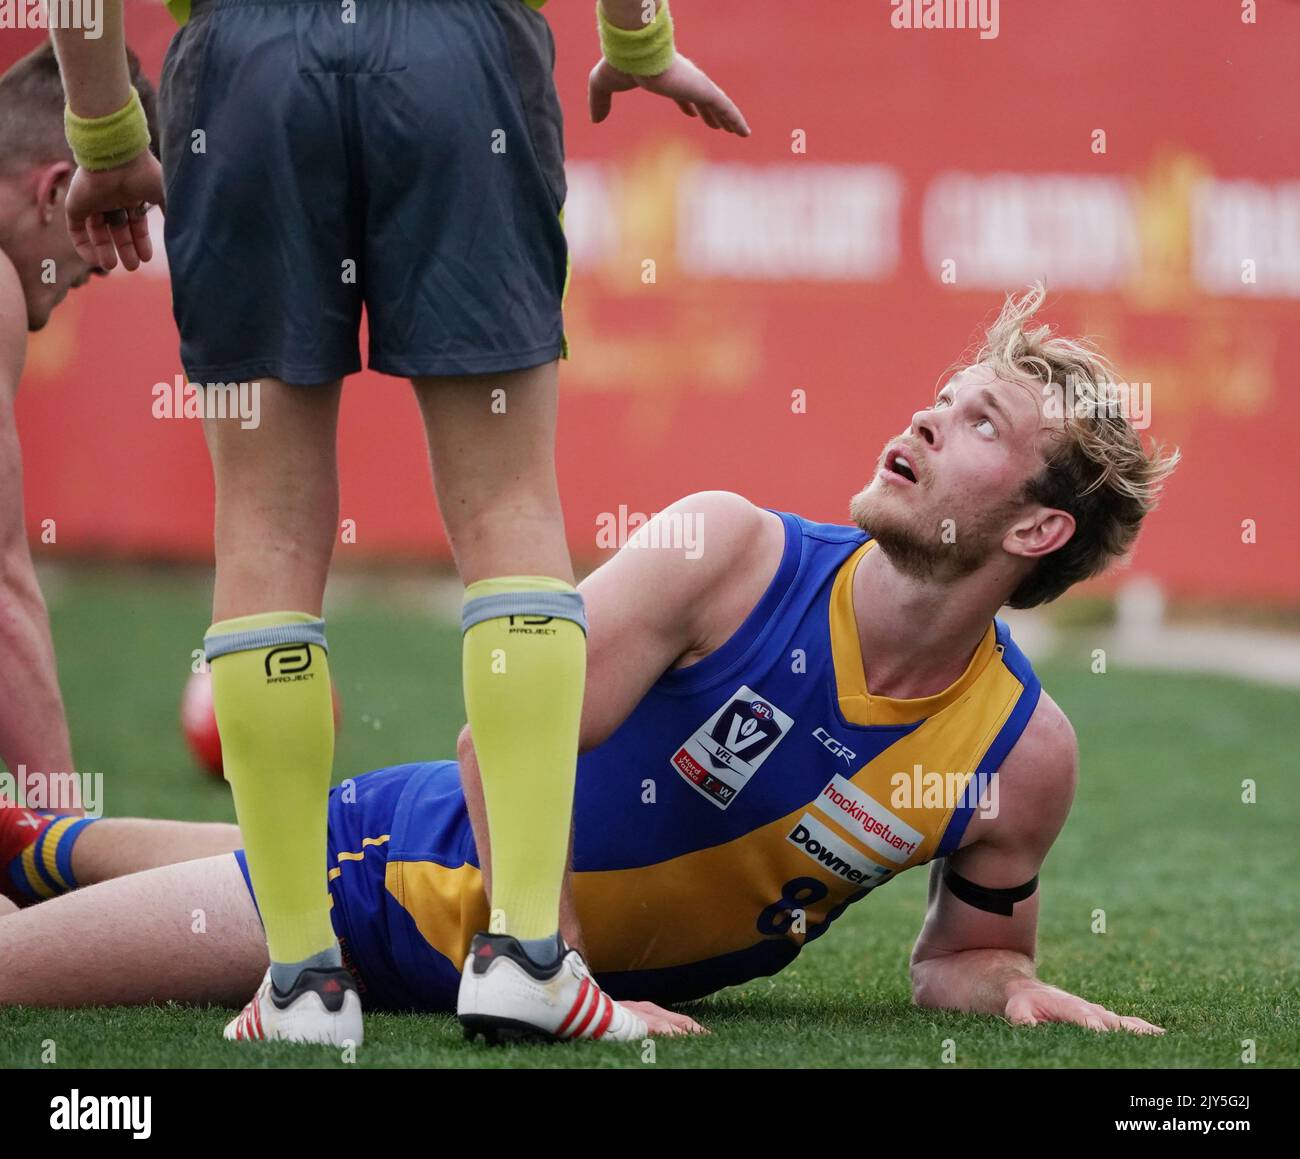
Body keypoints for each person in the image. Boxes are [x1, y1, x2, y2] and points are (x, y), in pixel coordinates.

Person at [0, 288, 1176, 1041]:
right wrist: (555, 975)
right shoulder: (726, 550)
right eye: (942, 396)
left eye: (978, 424)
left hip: (419, 880)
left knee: (46, 855)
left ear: (1035, 532)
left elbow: (966, 958)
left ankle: (34, 842)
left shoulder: (1024, 755)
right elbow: (494, 740)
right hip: (379, 883)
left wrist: (1011, 985)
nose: (924, 418)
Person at [51, 0, 749, 1045]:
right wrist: (638, 41)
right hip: (457, 55)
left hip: (245, 66)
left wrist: (105, 132)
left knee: (262, 532)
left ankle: (300, 985)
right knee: (509, 508)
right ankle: (527, 959)